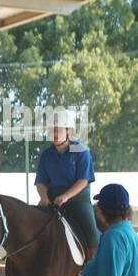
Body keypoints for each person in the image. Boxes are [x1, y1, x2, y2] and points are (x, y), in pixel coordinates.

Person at [35, 107, 98, 257]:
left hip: (77, 200)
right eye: (51, 131)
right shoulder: (46, 155)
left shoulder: (81, 151)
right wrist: (44, 198)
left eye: (58, 130)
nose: (54, 134)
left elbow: (83, 180)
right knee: (30, 226)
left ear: (69, 131)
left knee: (91, 235)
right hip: (51, 200)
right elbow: (40, 182)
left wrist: (66, 197)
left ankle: (93, 266)